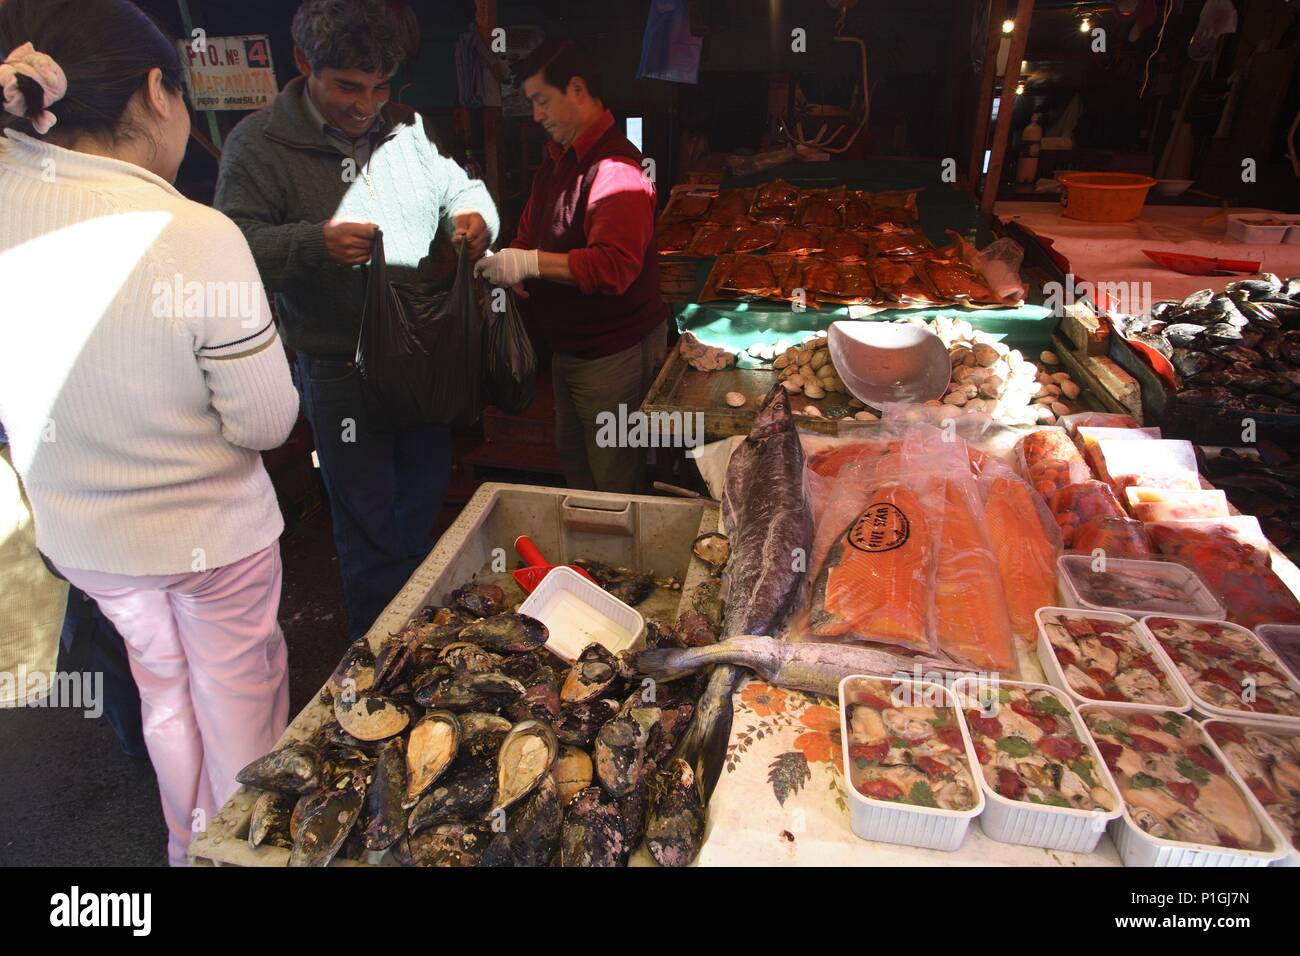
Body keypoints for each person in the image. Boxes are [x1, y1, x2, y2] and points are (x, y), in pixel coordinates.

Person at [0, 0, 300, 865]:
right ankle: (243, 854)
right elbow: (266, 418)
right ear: (157, 92)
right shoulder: (193, 235)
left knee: (163, 688)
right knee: (238, 699)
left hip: (88, 541)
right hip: (211, 541)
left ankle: (186, 845)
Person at [216, 0, 500, 641]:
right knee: (368, 525)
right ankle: (378, 663)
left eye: (380, 87)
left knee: (424, 503)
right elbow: (231, 247)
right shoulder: (257, 145)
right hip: (340, 368)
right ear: (302, 63)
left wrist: (474, 214)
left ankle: (426, 640)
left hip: (422, 355)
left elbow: (461, 186)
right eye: (347, 86)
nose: (366, 104)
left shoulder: (405, 126)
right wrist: (315, 242)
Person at [475, 39, 669, 494]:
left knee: (615, 480)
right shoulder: (557, 162)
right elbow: (530, 232)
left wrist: (530, 262)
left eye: (542, 101)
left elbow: (614, 266)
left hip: (615, 353)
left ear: (577, 89)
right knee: (576, 466)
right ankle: (593, 563)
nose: (536, 115)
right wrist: (510, 263)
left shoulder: (617, 168)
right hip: (571, 351)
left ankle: (619, 563)